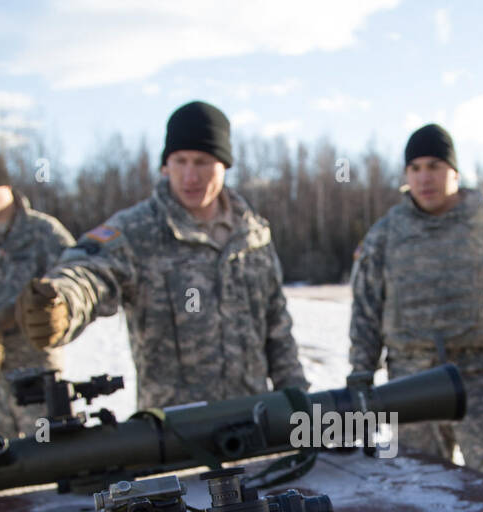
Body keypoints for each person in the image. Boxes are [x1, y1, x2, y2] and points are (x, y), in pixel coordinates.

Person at [15, 101, 308, 409]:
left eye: (202, 162)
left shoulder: (253, 237)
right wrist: (62, 301)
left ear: (224, 165)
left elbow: (278, 332)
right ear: (165, 165)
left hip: (254, 425)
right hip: (177, 437)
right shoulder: (137, 231)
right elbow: (89, 268)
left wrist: (298, 402)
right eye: (179, 161)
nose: (189, 176)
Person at [349, 124, 483, 484]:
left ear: (453, 171)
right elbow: (365, 308)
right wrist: (361, 374)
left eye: (434, 166)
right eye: (415, 168)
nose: (425, 177)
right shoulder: (387, 234)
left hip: (479, 382)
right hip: (410, 385)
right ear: (406, 175)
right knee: (423, 492)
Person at [0, 146, 74, 438]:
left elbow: (71, 277)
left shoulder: (42, 232)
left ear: (6, 184)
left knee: (51, 447)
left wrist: (17, 314)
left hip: (36, 362)